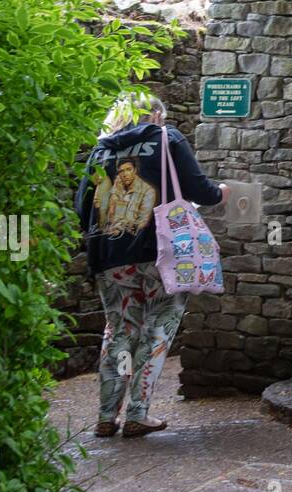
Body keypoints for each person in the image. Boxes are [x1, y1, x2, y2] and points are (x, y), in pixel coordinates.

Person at [75, 90, 225, 439]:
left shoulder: (101, 149)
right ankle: (139, 414)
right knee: (158, 328)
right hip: (162, 251)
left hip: (110, 256)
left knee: (118, 331)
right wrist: (220, 193)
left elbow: (83, 208)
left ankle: (106, 415)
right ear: (156, 115)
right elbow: (199, 190)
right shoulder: (167, 137)